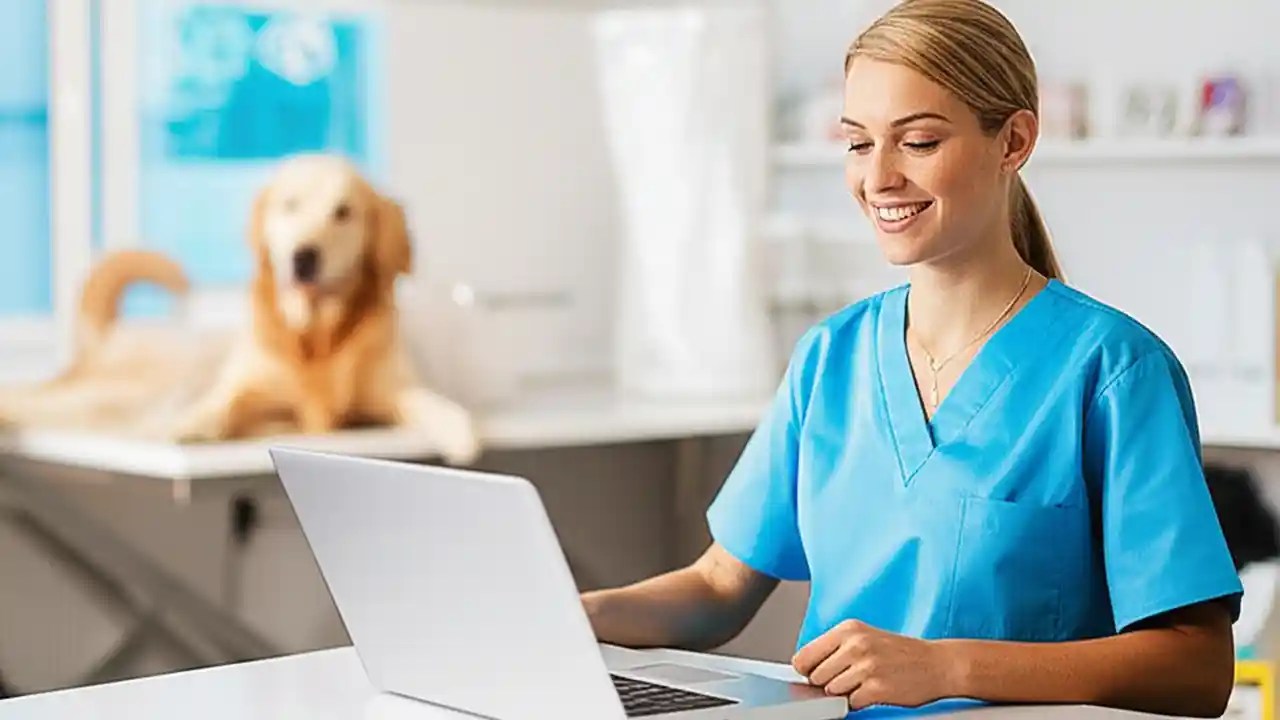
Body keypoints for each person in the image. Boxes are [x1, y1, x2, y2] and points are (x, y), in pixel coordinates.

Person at [580, 0, 1244, 716]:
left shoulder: (1112, 370)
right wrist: (571, 612)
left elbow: (1197, 666)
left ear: (1014, 140)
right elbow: (716, 591)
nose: (880, 178)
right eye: (859, 144)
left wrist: (946, 666)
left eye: (918, 142)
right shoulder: (830, 358)